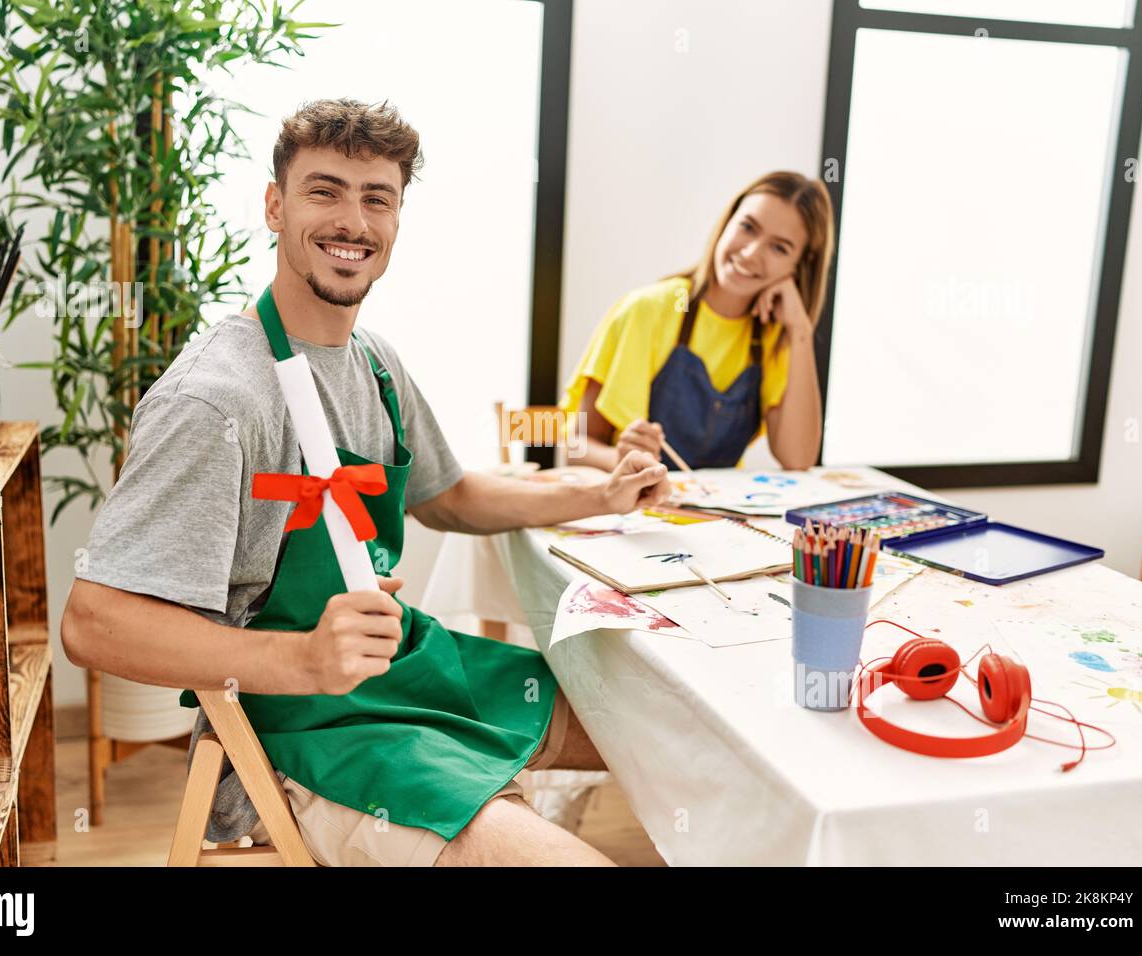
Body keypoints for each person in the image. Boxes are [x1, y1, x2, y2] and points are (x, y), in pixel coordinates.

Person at [61, 98, 671, 867]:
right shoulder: (217, 399)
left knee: (669, 729)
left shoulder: (374, 363)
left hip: (407, 674)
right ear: (274, 206)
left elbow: (450, 497)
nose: (352, 219)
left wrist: (598, 493)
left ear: (395, 221)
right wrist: (306, 659)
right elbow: (93, 622)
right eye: (324, 191)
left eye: (375, 197)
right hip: (302, 732)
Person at [560, 172, 834, 472]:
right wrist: (624, 461)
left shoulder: (775, 336)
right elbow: (575, 447)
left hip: (716, 515)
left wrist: (801, 330)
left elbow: (798, 459)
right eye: (747, 227)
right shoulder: (648, 310)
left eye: (779, 247)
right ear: (727, 222)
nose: (751, 253)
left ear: (800, 266)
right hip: (633, 510)